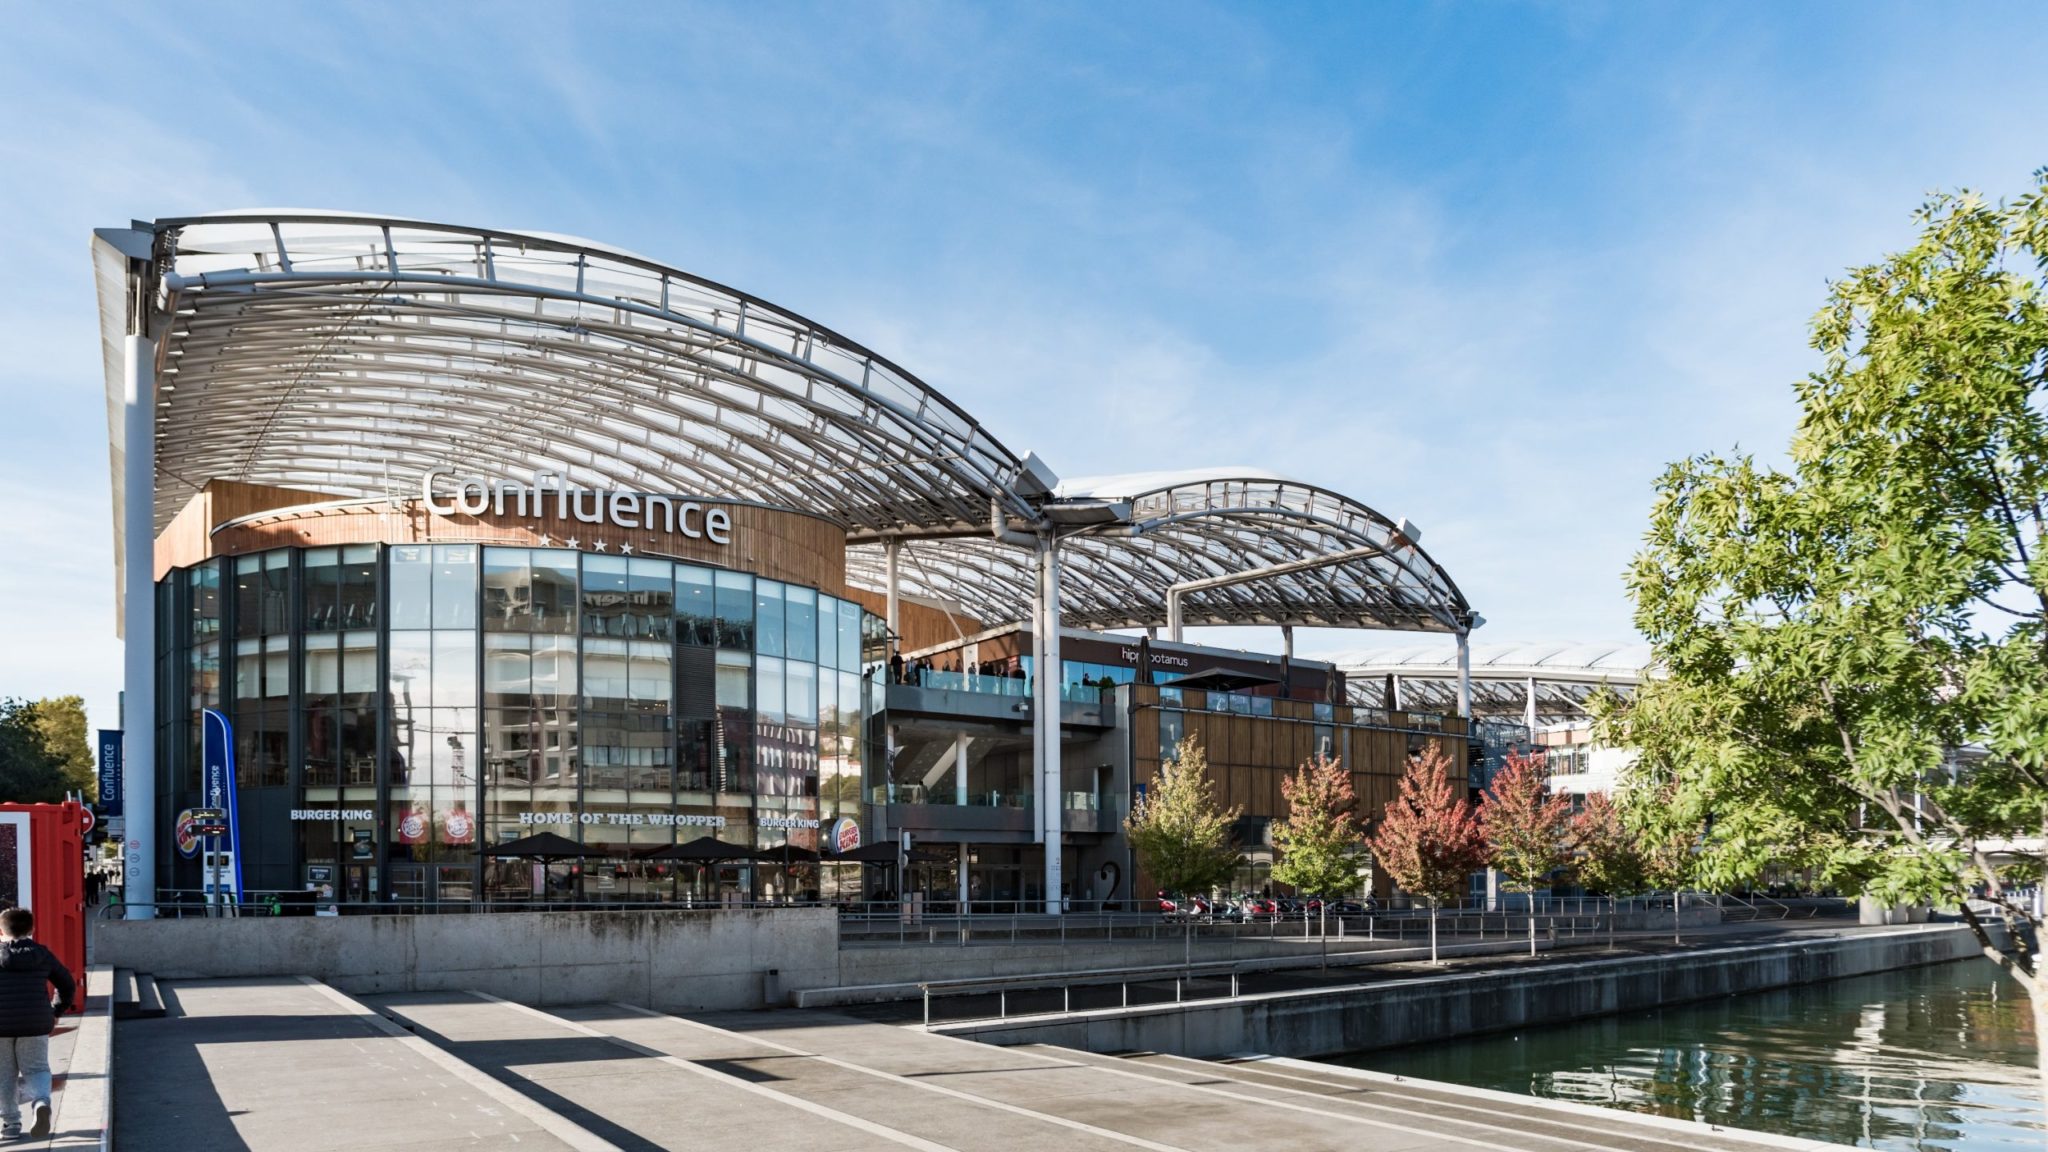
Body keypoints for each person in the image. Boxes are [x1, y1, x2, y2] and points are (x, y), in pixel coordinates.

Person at [0, 907, 74, 1140]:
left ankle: (10, 1125)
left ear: (0, 931)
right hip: (35, 1022)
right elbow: (67, 985)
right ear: (32, 929)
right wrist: (56, 1010)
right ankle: (41, 1102)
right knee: (37, 1068)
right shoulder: (42, 954)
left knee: (4, 1074)